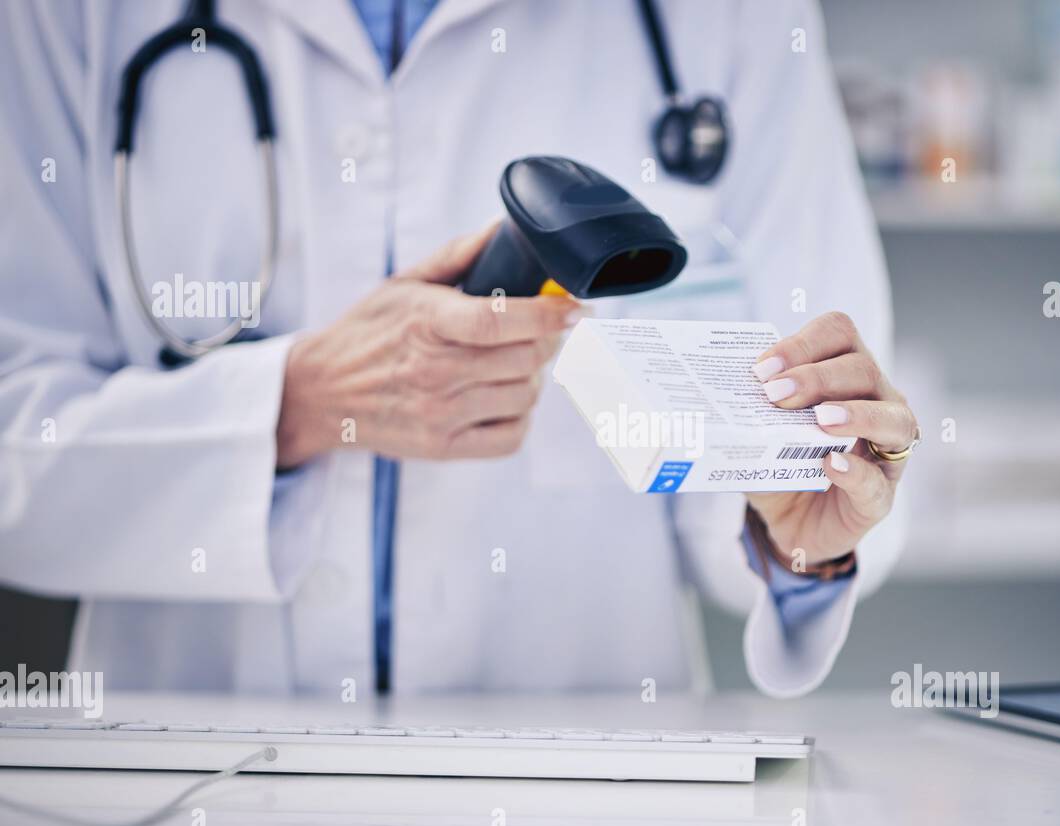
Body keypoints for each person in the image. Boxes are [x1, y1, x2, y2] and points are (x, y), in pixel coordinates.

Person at [0, 0, 916, 697]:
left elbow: (827, 412)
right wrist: (295, 404)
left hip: (581, 789)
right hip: (185, 781)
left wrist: (801, 537)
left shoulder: (727, 18)